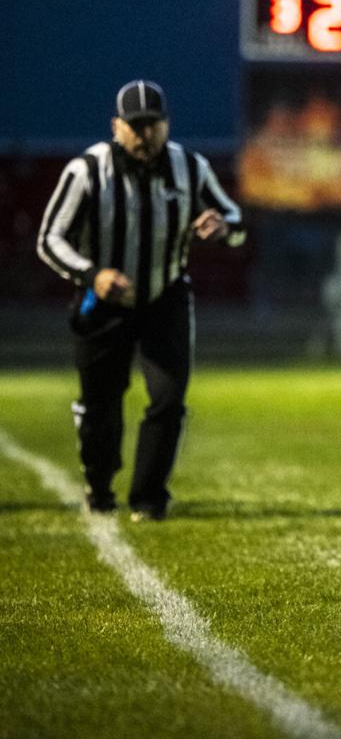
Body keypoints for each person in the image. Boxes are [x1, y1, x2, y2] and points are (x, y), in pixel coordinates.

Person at [36, 80, 245, 521]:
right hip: (104, 304)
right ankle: (99, 483)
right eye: (136, 126)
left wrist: (224, 228)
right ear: (117, 126)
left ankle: (149, 498)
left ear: (166, 125)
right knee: (100, 406)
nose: (145, 134)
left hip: (164, 297)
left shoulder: (190, 166)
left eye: (153, 124)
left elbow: (236, 217)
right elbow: (49, 238)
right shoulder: (87, 171)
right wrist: (92, 275)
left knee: (169, 400)